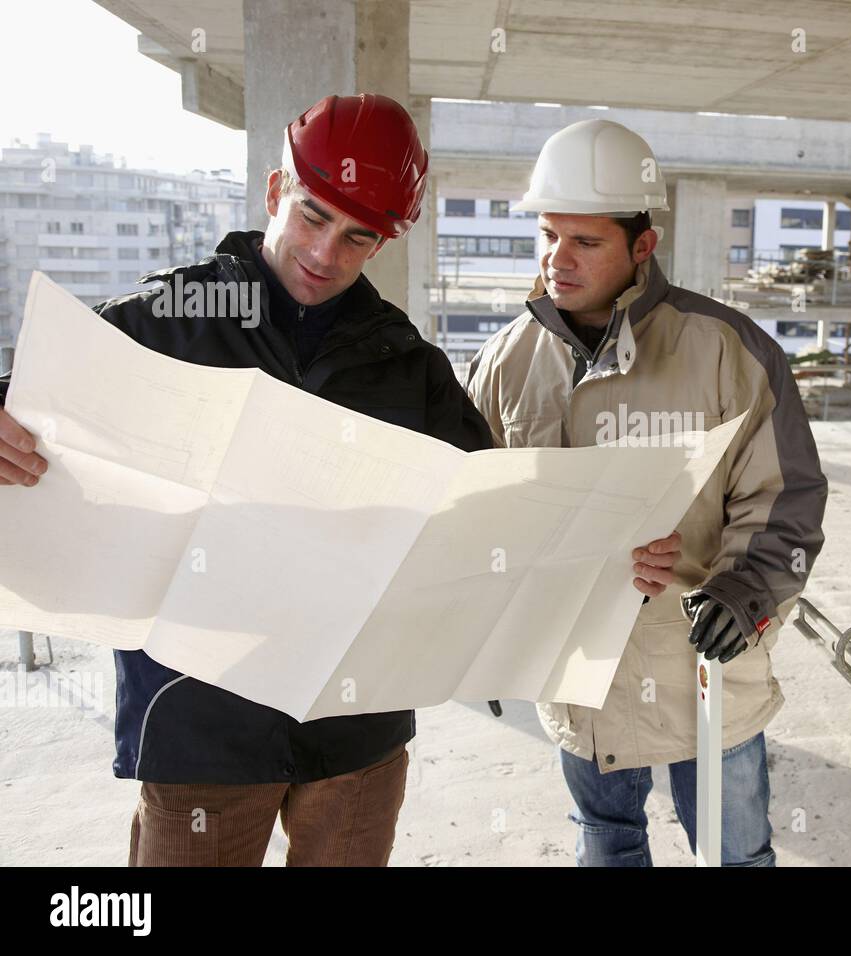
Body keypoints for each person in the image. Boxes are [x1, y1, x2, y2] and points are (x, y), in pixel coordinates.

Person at [0, 95, 680, 867]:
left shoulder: (405, 364)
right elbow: (31, 402)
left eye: (359, 236)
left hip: (358, 729)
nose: (326, 253)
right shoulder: (167, 320)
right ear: (272, 193)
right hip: (202, 725)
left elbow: (505, 521)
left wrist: (617, 550)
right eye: (312, 215)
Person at [466, 119, 828, 866]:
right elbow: (478, 510)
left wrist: (744, 594)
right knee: (607, 846)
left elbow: (784, 501)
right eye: (548, 235)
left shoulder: (727, 350)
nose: (556, 260)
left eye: (585, 242)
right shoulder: (505, 361)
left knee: (733, 855)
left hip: (702, 668)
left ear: (642, 245)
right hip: (579, 680)